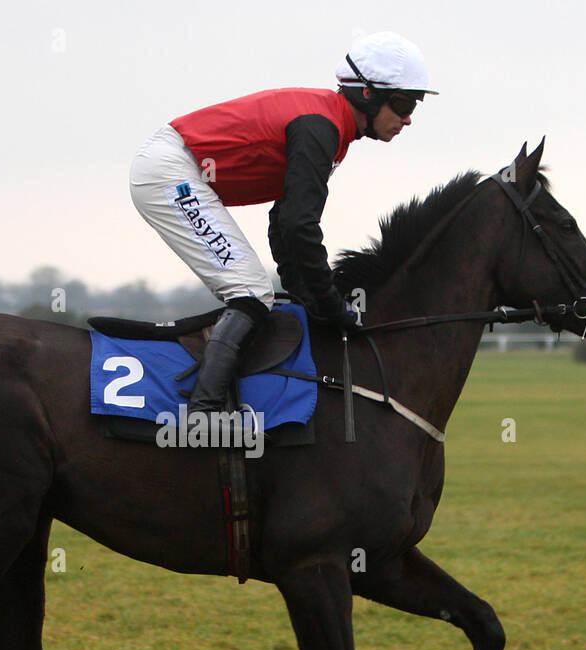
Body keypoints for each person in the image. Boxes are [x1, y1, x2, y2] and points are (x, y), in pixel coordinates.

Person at [129, 31, 436, 415]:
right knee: (251, 292)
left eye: (415, 106)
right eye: (403, 102)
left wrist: (306, 296)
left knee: (257, 292)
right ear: (367, 94)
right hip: (170, 171)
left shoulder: (332, 128)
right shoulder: (320, 127)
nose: (408, 118)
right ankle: (203, 414)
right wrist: (330, 304)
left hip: (174, 166)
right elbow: (298, 226)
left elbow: (282, 222)